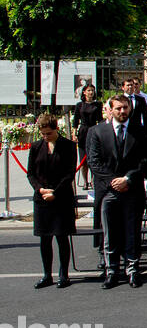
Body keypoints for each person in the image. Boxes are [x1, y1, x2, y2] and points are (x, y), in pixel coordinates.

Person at [87, 95, 147, 288]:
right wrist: (113, 181)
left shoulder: (139, 132)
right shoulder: (98, 131)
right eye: (118, 108)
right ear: (111, 110)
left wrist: (127, 179)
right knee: (110, 234)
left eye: (125, 108)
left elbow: (145, 161)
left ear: (130, 109)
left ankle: (132, 270)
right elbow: (94, 162)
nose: (122, 112)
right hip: (108, 191)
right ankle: (112, 271)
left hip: (132, 190)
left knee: (132, 232)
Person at [28, 113, 77, 289]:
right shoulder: (35, 147)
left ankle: (63, 274)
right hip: (42, 198)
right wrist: (40, 189)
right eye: (43, 134)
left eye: (48, 133)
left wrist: (55, 192)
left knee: (61, 236)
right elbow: (31, 173)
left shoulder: (69, 146)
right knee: (44, 238)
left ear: (56, 129)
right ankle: (47, 274)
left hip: (61, 197)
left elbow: (70, 173)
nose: (45, 137)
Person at [72, 82, 102, 190]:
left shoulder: (97, 104)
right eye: (88, 90)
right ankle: (85, 181)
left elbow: (100, 119)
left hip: (93, 130)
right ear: (84, 92)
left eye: (92, 90)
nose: (90, 92)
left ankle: (94, 180)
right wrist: (74, 134)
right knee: (83, 160)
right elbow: (75, 121)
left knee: (93, 158)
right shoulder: (79, 105)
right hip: (83, 132)